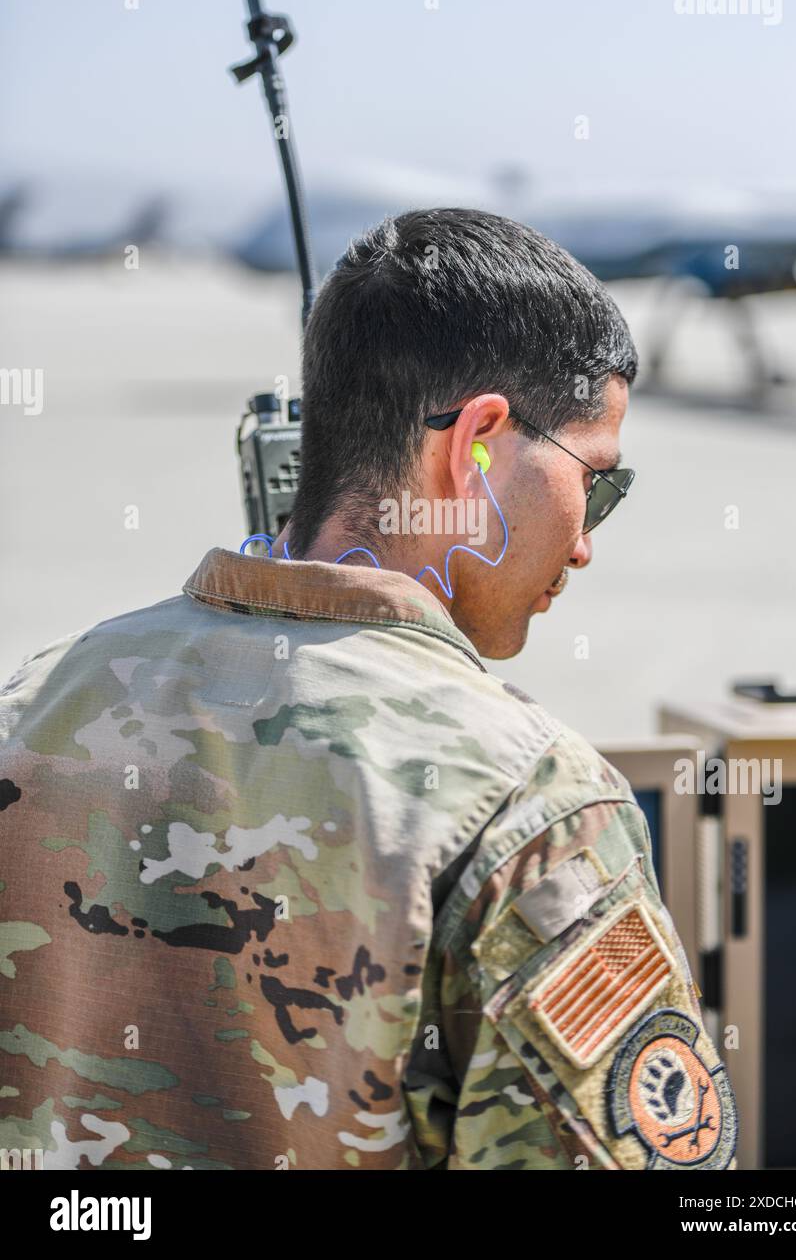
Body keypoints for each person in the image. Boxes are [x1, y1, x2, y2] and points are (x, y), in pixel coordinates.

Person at [0, 208, 736, 1170]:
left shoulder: (32, 705)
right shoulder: (528, 803)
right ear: (475, 443)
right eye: (597, 482)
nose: (588, 540)